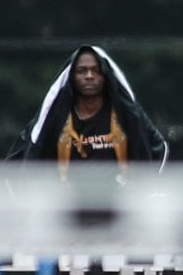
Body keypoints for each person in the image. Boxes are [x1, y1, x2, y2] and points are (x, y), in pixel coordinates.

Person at [10, 45, 169, 181]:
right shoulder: (55, 119)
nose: (89, 76)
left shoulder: (125, 115)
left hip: (117, 206)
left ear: (105, 75)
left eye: (96, 70)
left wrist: (143, 188)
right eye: (82, 71)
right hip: (69, 206)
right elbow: (22, 159)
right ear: (72, 76)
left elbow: (158, 149)